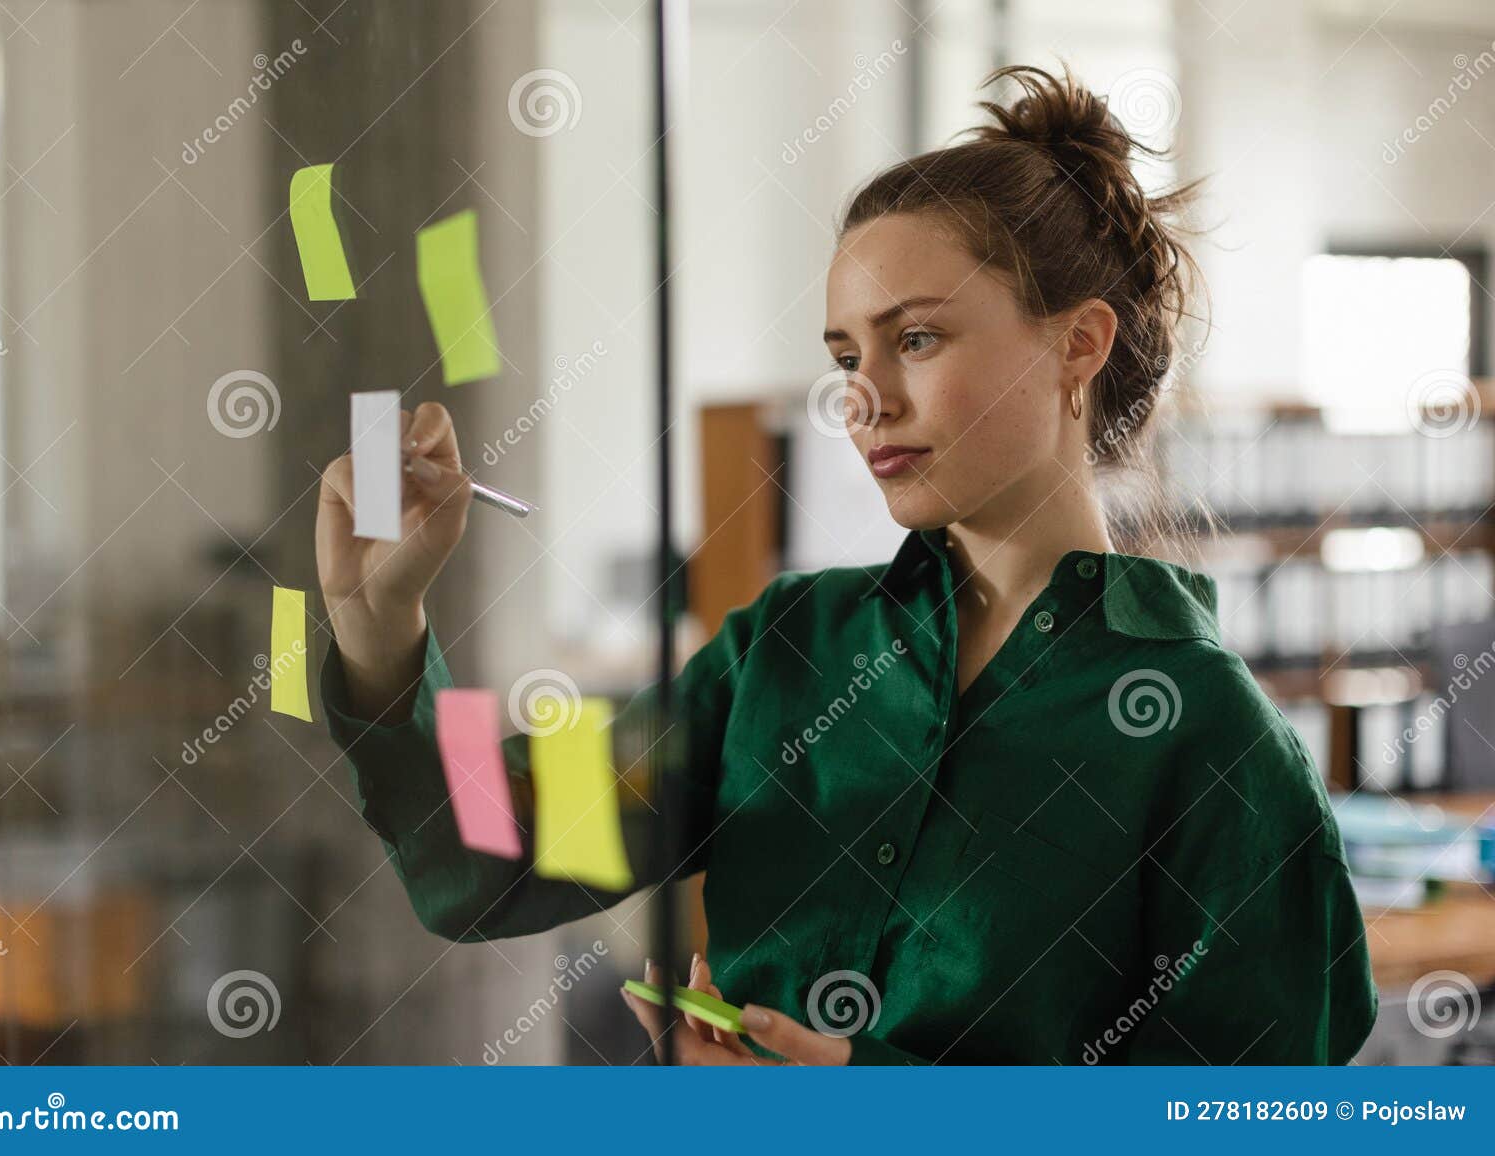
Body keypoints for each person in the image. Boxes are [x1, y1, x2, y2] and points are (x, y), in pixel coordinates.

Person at [314, 64, 1378, 1065]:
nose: (862, 398)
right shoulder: (780, 655)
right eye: (843, 356)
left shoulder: (1208, 736)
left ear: (1078, 345)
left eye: (914, 339)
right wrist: (384, 630)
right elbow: (490, 856)